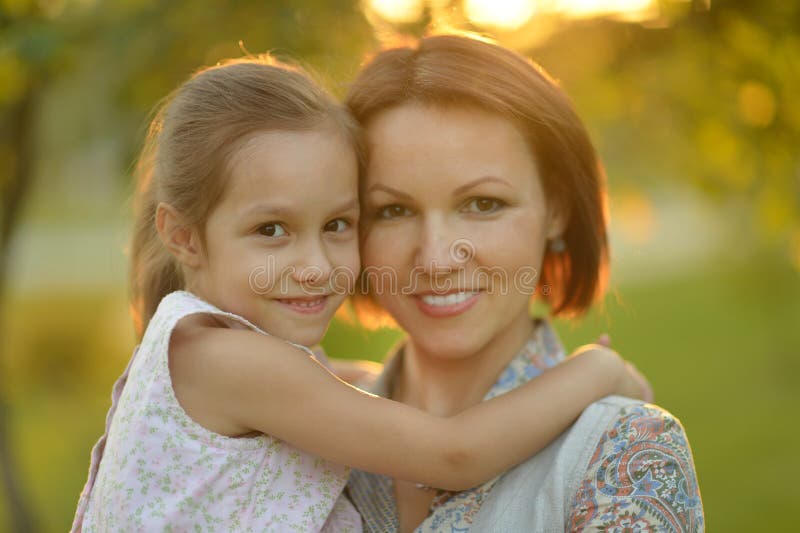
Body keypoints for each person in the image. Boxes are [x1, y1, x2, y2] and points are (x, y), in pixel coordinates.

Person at [70, 56, 652, 532]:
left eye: (338, 225)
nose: (316, 266)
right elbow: (454, 454)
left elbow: (318, 383)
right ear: (183, 236)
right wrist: (597, 368)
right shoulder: (227, 362)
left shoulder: (621, 453)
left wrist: (361, 379)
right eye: (271, 230)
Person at [345, 34, 705, 532]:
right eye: (393, 210)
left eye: (483, 203)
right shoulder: (294, 433)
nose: (436, 259)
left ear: (555, 208)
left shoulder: (625, 449)